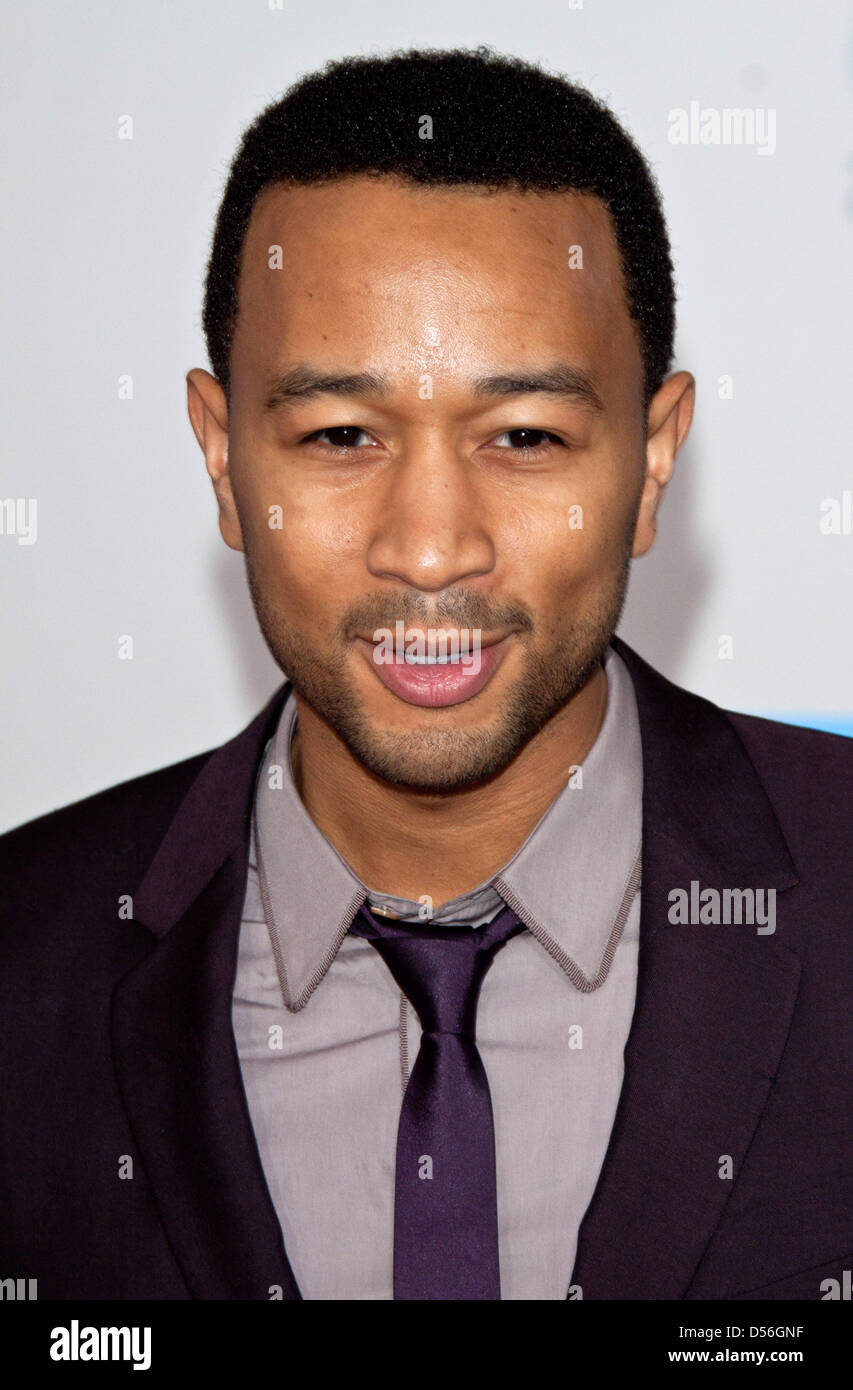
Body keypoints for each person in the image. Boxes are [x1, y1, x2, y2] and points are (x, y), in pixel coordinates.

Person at [1, 46, 850, 1302]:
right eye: (341, 435)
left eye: (525, 436)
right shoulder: (24, 963)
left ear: (653, 461)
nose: (432, 547)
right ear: (225, 460)